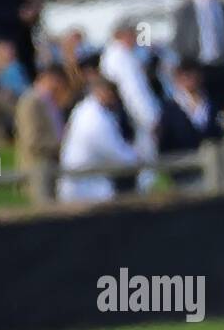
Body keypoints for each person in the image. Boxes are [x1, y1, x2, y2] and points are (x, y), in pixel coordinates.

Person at [58, 74, 139, 202]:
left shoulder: (88, 109)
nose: (113, 97)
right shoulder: (93, 117)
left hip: (90, 181)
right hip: (84, 187)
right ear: (100, 91)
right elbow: (115, 152)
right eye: (110, 92)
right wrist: (137, 158)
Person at [100, 19, 161, 163]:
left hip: (130, 115)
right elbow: (132, 91)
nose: (135, 38)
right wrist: (150, 118)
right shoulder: (119, 57)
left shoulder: (122, 54)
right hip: (133, 117)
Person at [172, 0, 224, 116]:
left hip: (221, 65)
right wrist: (188, 69)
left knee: (223, 108)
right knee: (204, 109)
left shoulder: (221, 6)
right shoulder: (186, 9)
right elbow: (179, 41)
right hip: (198, 66)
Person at [14, 63, 69, 201]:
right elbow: (32, 140)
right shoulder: (31, 102)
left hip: (51, 166)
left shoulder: (49, 101)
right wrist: (62, 146)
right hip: (38, 169)